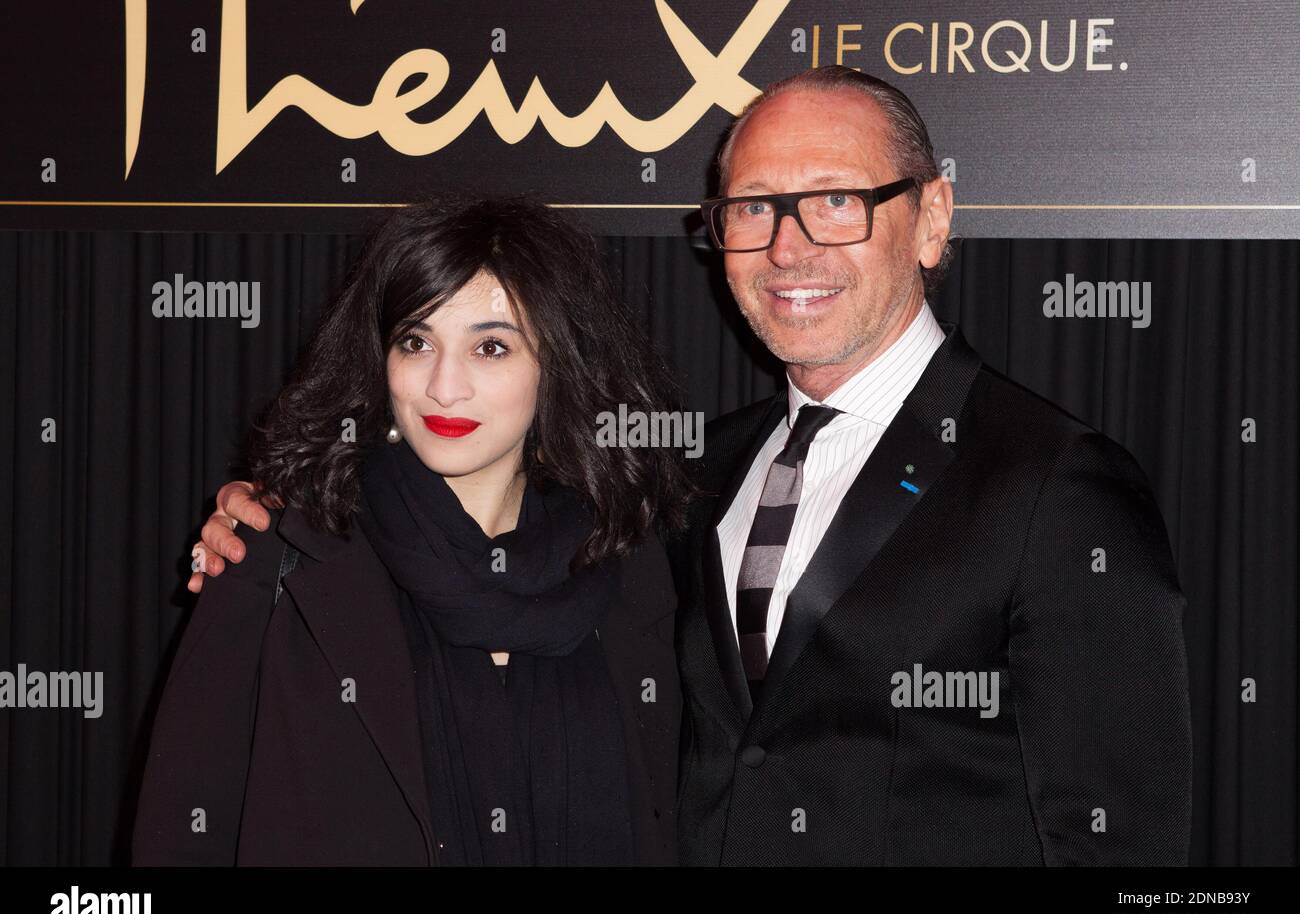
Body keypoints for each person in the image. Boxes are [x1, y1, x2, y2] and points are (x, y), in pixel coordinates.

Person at [189, 66, 1193, 866]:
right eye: (752, 207)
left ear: (931, 218)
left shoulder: (1056, 484)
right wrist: (272, 510)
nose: (788, 245)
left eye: (835, 200)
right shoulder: (687, 475)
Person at [133, 195, 689, 866]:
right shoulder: (279, 552)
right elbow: (183, 829)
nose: (443, 386)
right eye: (416, 342)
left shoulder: (626, 562)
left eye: (491, 347)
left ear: (557, 365)